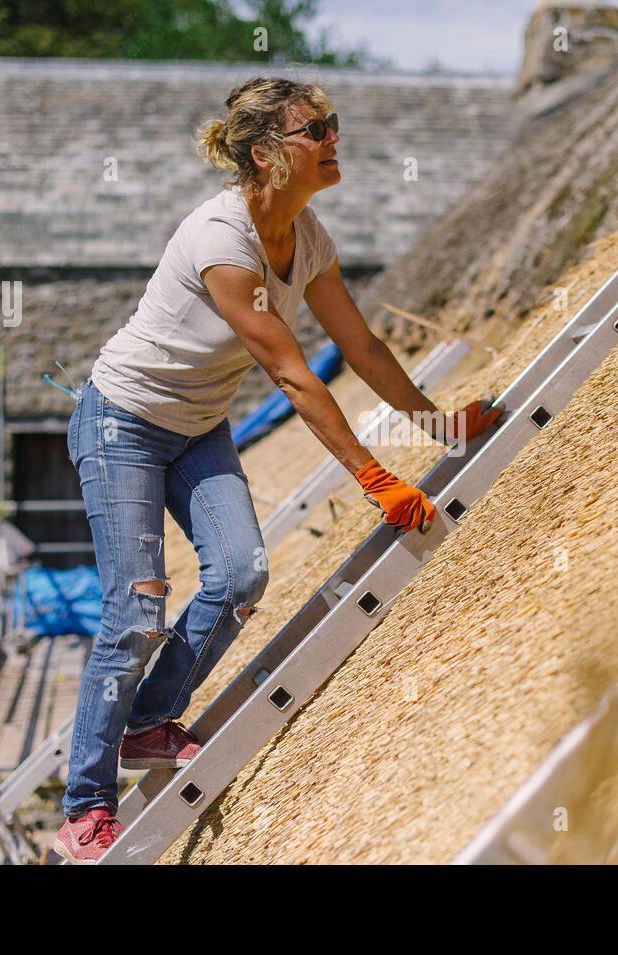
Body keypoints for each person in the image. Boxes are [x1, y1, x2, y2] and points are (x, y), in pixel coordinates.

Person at [53, 77, 502, 862]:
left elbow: (357, 345)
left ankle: (152, 721)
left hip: (195, 428)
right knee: (135, 612)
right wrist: (372, 476)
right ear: (265, 154)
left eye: (333, 124)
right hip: (120, 422)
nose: (334, 139)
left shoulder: (309, 234)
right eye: (316, 130)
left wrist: (439, 423)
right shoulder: (222, 241)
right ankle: (86, 806)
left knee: (240, 574)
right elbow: (294, 374)